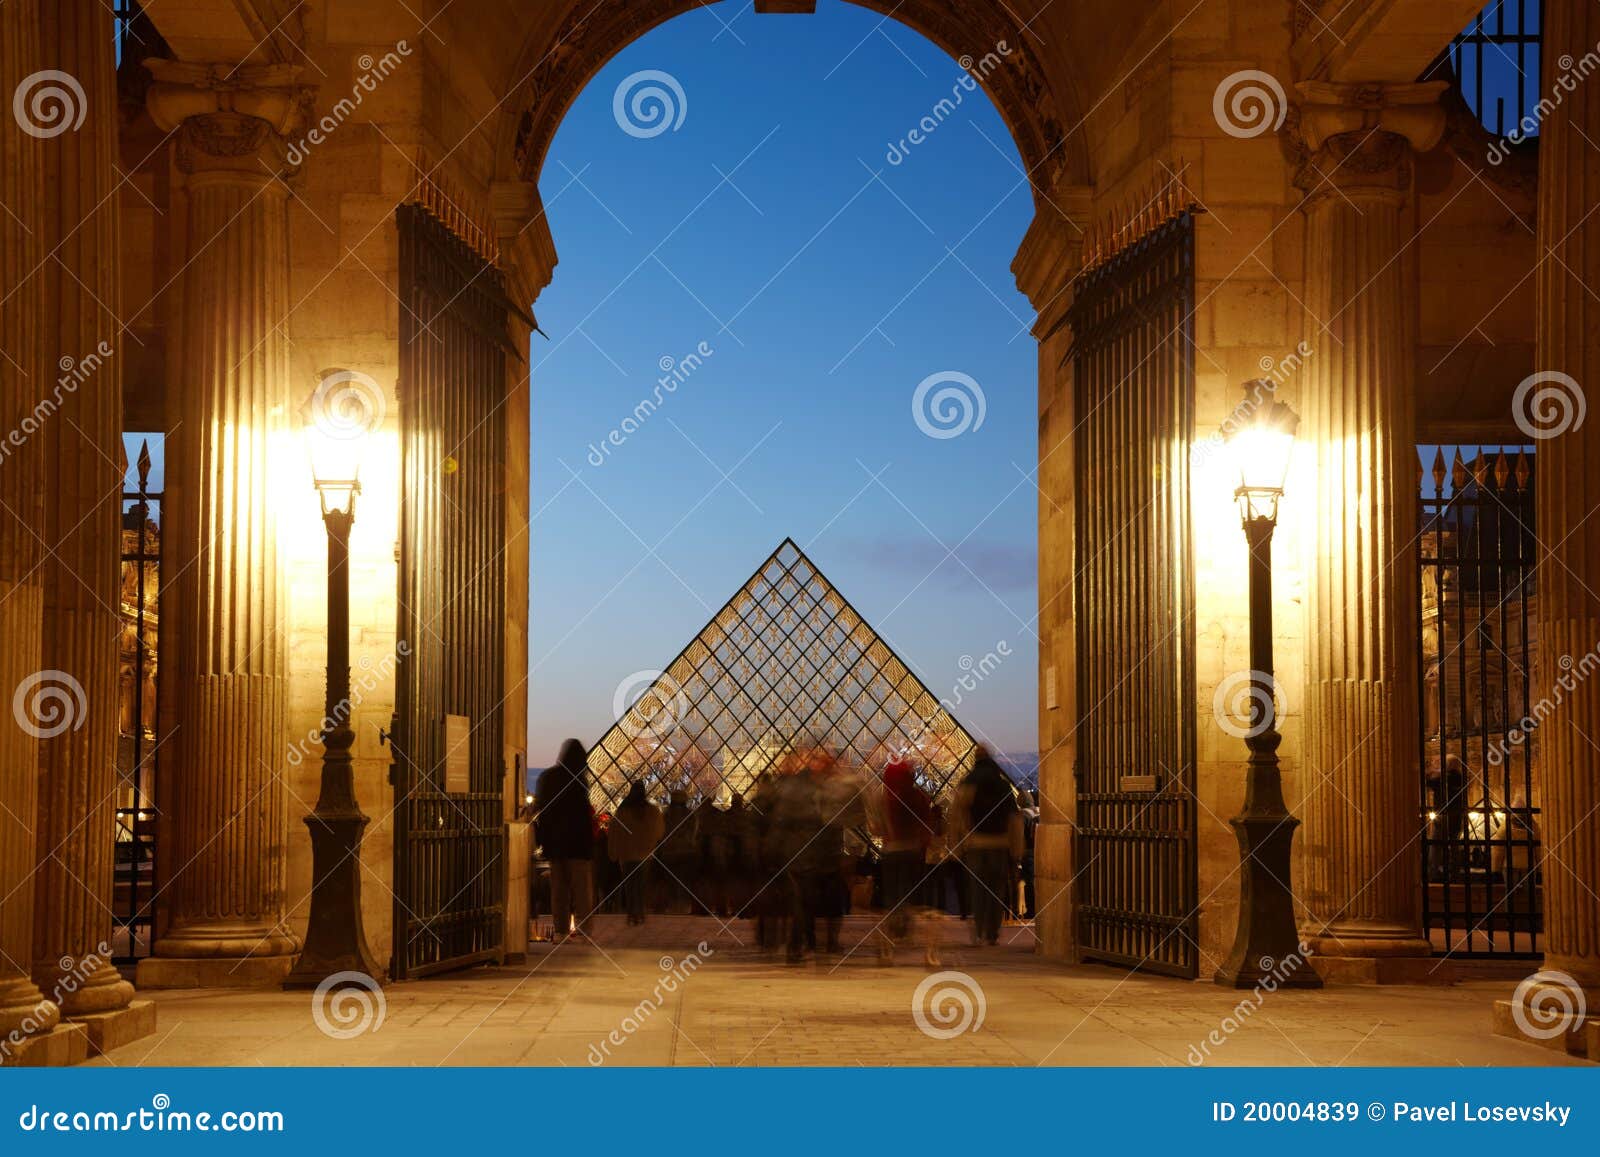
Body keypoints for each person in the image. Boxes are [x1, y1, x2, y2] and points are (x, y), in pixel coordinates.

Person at [952, 749, 1024, 946]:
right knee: (996, 890)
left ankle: (980, 929)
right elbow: (1014, 819)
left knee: (977, 889)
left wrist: (957, 845)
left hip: (976, 843)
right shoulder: (1003, 785)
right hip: (999, 844)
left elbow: (957, 815)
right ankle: (992, 932)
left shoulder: (968, 782)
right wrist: (1017, 850)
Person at [535, 739, 596, 942]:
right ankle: (584, 930)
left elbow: (543, 812)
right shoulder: (579, 780)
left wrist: (543, 840)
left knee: (558, 891)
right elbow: (584, 818)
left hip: (555, 845)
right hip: (577, 846)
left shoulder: (547, 777)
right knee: (582, 892)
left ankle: (560, 931)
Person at [875, 759, 936, 964]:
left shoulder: (884, 799)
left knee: (892, 896)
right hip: (913, 852)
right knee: (910, 894)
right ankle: (907, 930)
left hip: (891, 851)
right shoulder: (919, 796)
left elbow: (876, 826)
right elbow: (926, 825)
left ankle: (891, 936)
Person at [609, 782, 665, 925]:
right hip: (645, 854)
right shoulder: (651, 811)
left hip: (626, 855)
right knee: (641, 885)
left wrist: (613, 852)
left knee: (629, 886)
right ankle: (640, 912)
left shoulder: (622, 811)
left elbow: (614, 832)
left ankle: (631, 913)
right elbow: (659, 832)